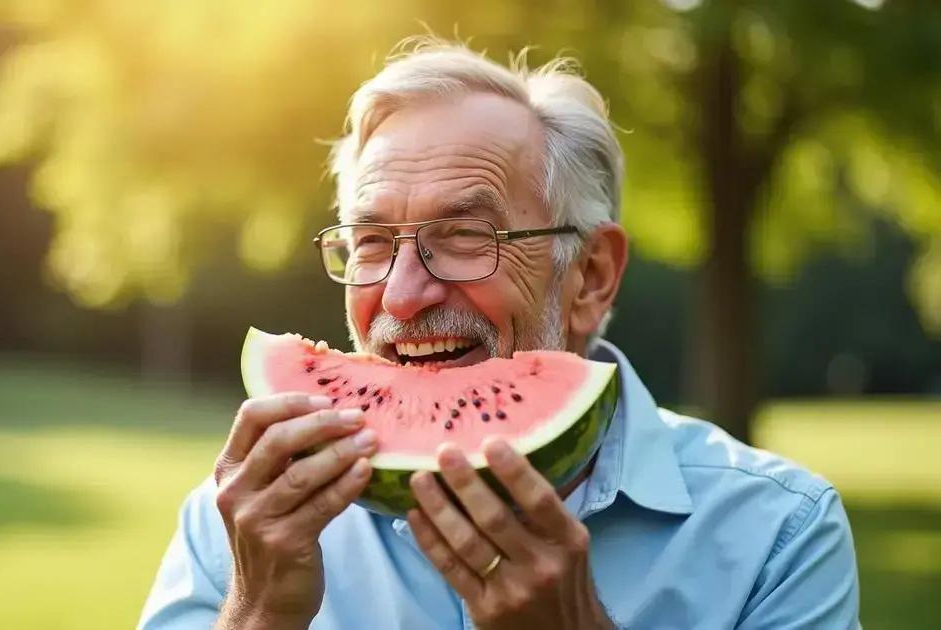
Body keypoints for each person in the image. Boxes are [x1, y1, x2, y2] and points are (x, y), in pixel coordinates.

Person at [138, 38, 860, 629]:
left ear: (591, 276)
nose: (401, 293)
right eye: (370, 242)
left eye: (463, 236)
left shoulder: (779, 535)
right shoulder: (241, 521)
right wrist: (256, 614)